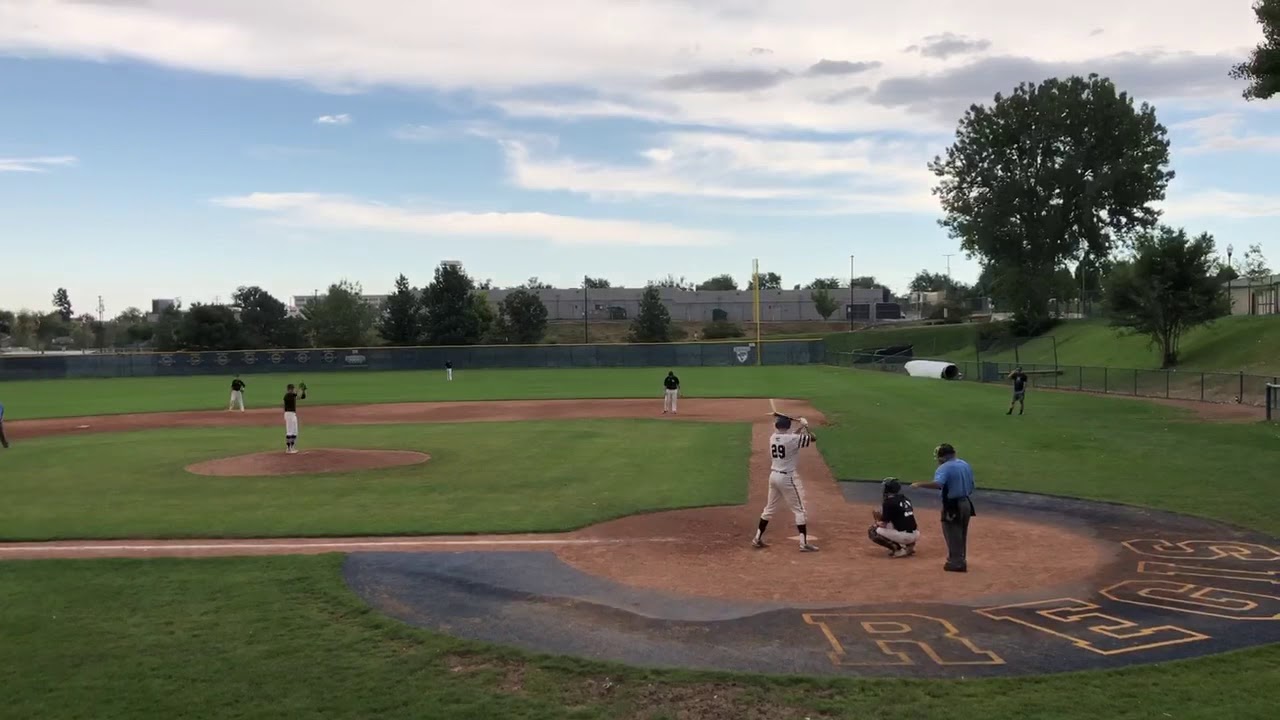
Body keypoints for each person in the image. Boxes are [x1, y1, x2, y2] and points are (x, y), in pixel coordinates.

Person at [752, 415, 820, 552]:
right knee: (799, 510)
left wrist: (800, 428)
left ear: (777, 426)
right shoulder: (792, 439)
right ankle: (803, 544)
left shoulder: (773, 438)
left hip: (773, 477)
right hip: (786, 478)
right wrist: (805, 426)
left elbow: (792, 438)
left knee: (769, 509)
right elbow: (813, 438)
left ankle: (757, 538)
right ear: (788, 427)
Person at [913, 444, 976, 572]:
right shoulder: (964, 464)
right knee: (962, 532)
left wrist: (919, 484)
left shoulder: (944, 468)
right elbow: (972, 484)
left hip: (953, 505)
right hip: (966, 503)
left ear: (942, 457)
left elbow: (938, 484)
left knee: (952, 533)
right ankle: (960, 558)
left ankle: (957, 562)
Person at [868, 477, 919, 558]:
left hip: (905, 536)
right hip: (916, 533)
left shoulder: (888, 503)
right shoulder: (905, 499)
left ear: (887, 489)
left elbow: (883, 524)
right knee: (902, 520)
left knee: (873, 531)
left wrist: (876, 522)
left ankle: (899, 550)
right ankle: (909, 546)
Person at [283, 383, 305, 454]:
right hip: (289, 414)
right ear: (290, 389)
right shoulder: (287, 396)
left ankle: (292, 447)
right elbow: (298, 396)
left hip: (293, 414)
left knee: (295, 431)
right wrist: (301, 389)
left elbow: (302, 397)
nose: (293, 390)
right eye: (293, 389)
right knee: (290, 431)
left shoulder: (292, 395)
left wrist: (302, 390)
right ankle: (288, 448)